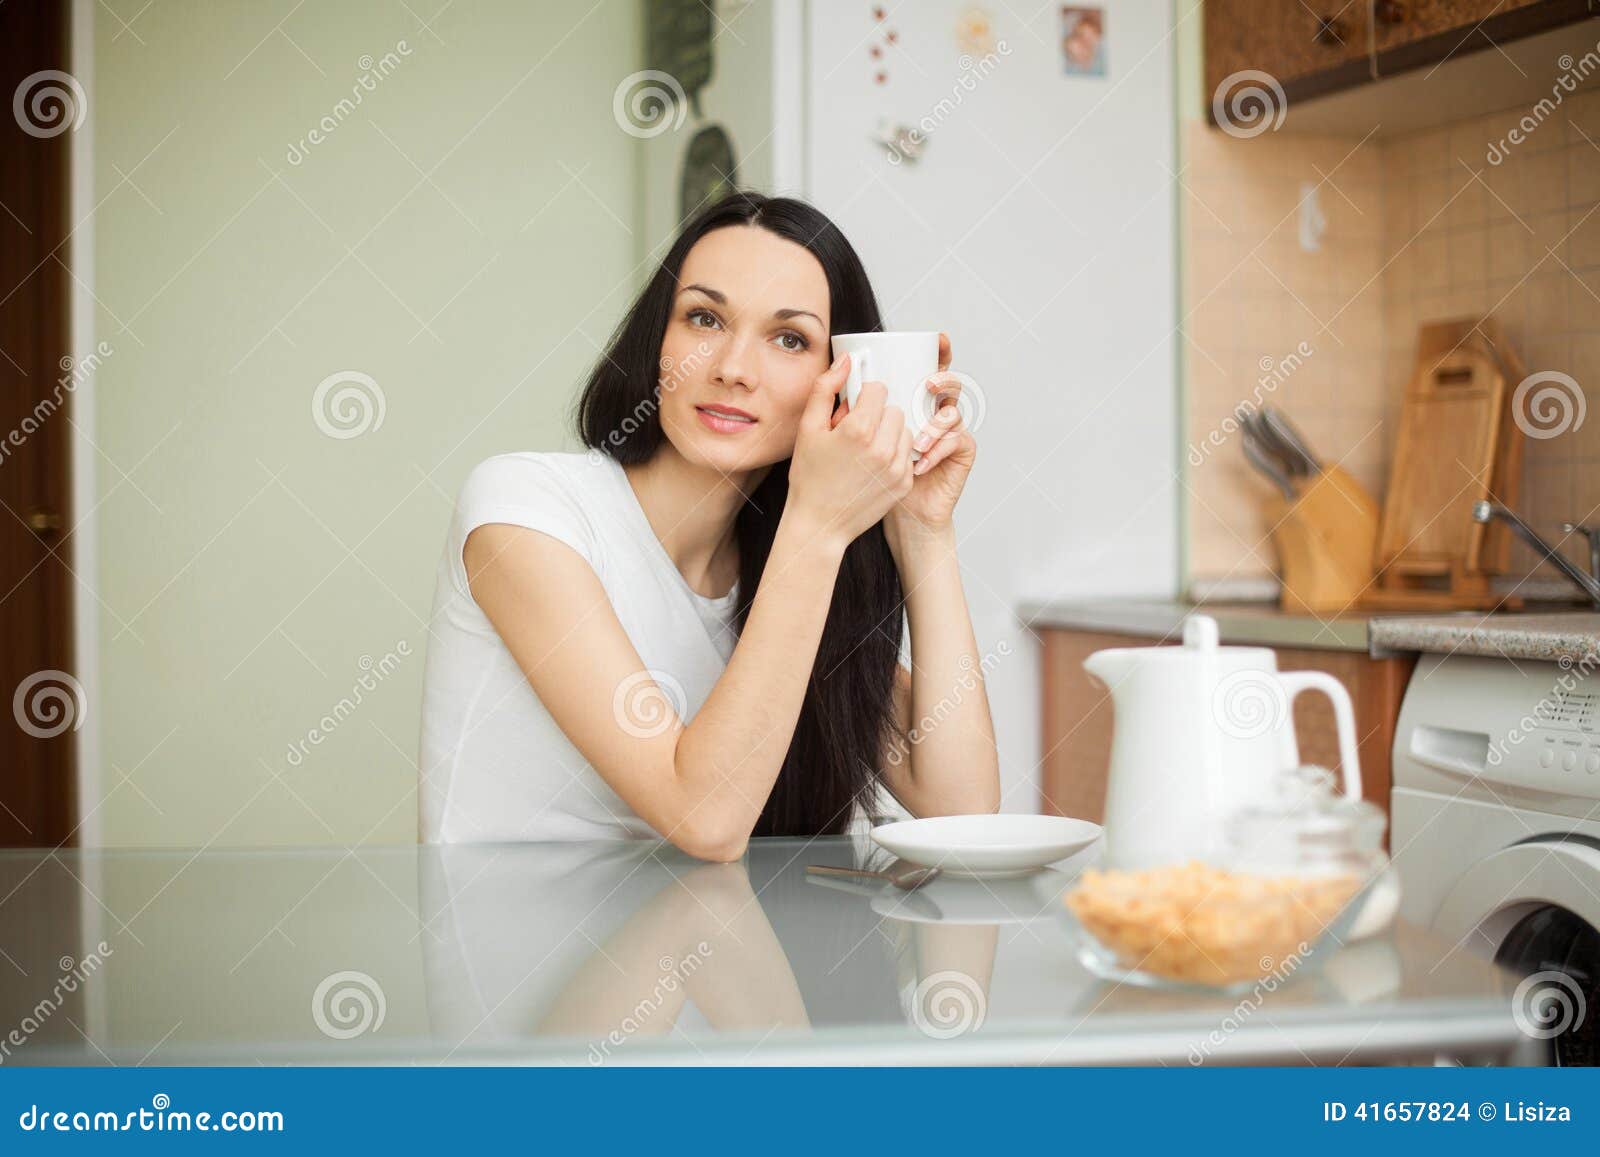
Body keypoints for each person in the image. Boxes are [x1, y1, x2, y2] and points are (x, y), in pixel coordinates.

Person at [418, 191, 999, 858]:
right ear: (657, 341)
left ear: (839, 381)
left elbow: (963, 810)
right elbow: (706, 818)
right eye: (703, 318)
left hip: (695, 951)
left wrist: (923, 528)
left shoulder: (788, 574)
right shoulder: (524, 507)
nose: (730, 369)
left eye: (789, 338)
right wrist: (818, 524)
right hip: (521, 961)